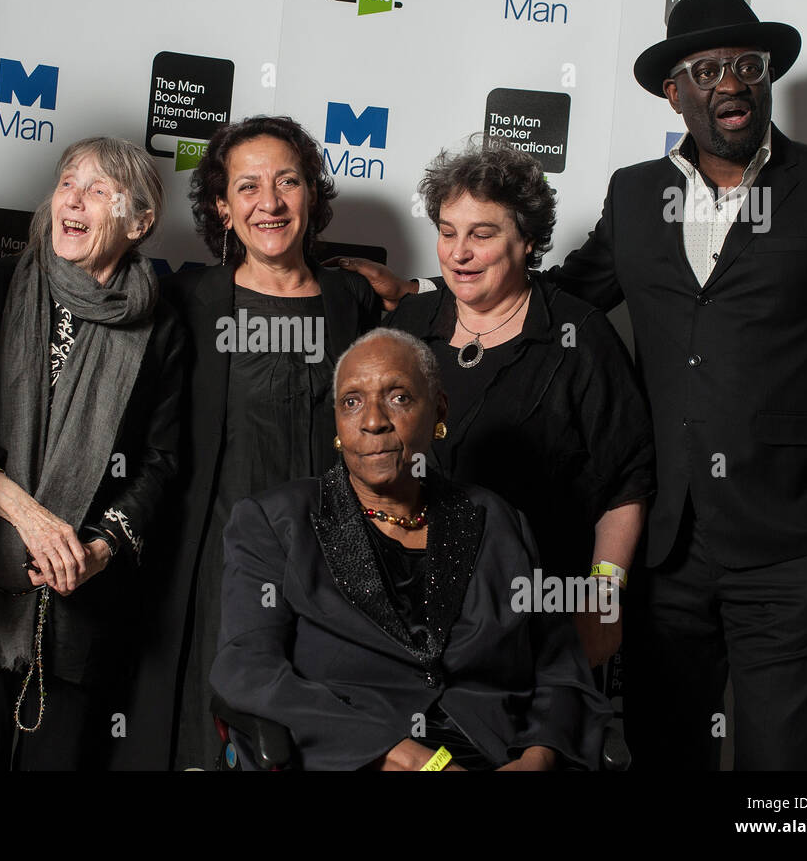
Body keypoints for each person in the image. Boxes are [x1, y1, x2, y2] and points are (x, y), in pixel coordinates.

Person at [342, 0, 807, 771]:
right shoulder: (638, 194)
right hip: (667, 549)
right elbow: (559, 296)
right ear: (674, 92)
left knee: (778, 770)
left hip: (792, 545)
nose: (731, 83)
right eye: (706, 69)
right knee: (664, 752)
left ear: (768, 76)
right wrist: (428, 298)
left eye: (747, 65)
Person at [210, 328, 611, 770]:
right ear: (339, 427)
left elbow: (558, 665)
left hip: (494, 753)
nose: (373, 420)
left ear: (438, 409)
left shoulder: (498, 521)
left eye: (398, 397)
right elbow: (247, 669)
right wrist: (410, 758)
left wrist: (538, 758)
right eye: (352, 401)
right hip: (360, 757)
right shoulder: (274, 522)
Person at [121, 116, 381, 770]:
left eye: (288, 181)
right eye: (248, 186)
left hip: (329, 569)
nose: (270, 202)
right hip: (216, 568)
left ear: (312, 195)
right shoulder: (187, 301)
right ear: (221, 205)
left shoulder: (352, 300)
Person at [0, 137, 183, 771]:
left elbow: (161, 461)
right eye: (68, 182)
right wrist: (21, 510)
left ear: (140, 222)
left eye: (100, 191)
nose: (74, 198)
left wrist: (100, 547)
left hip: (83, 601)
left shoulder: (163, 322)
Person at [385, 141, 653, 666]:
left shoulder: (579, 336)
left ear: (527, 240)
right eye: (447, 232)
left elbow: (628, 478)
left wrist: (603, 594)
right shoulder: (408, 326)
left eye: (482, 234)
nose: (459, 252)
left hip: (532, 621)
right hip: (405, 609)